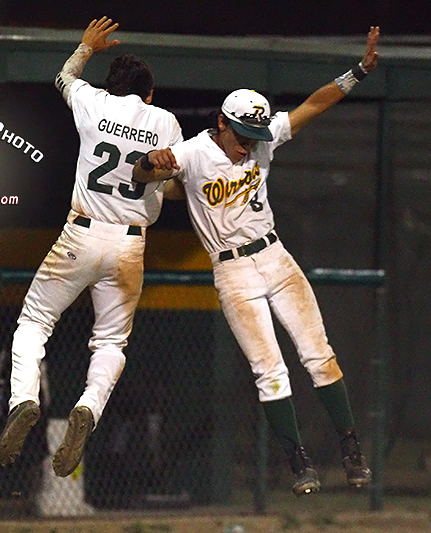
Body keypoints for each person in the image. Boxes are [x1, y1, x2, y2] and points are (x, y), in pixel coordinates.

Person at [132, 27, 380, 496]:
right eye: (242, 133)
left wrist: (359, 72)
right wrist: (149, 161)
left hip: (275, 255)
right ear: (222, 123)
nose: (249, 144)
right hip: (233, 270)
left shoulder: (263, 139)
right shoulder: (191, 153)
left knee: (319, 356)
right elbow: (145, 172)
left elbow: (313, 105)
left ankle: (352, 451)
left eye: (255, 134)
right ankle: (298, 463)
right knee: (270, 369)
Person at [0, 16, 184, 478]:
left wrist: (85, 47)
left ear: (112, 87)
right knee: (111, 342)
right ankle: (89, 409)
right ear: (149, 94)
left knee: (34, 322)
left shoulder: (93, 102)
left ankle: (23, 400)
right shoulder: (164, 121)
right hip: (130, 246)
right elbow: (175, 180)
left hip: (81, 233)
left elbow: (64, 78)